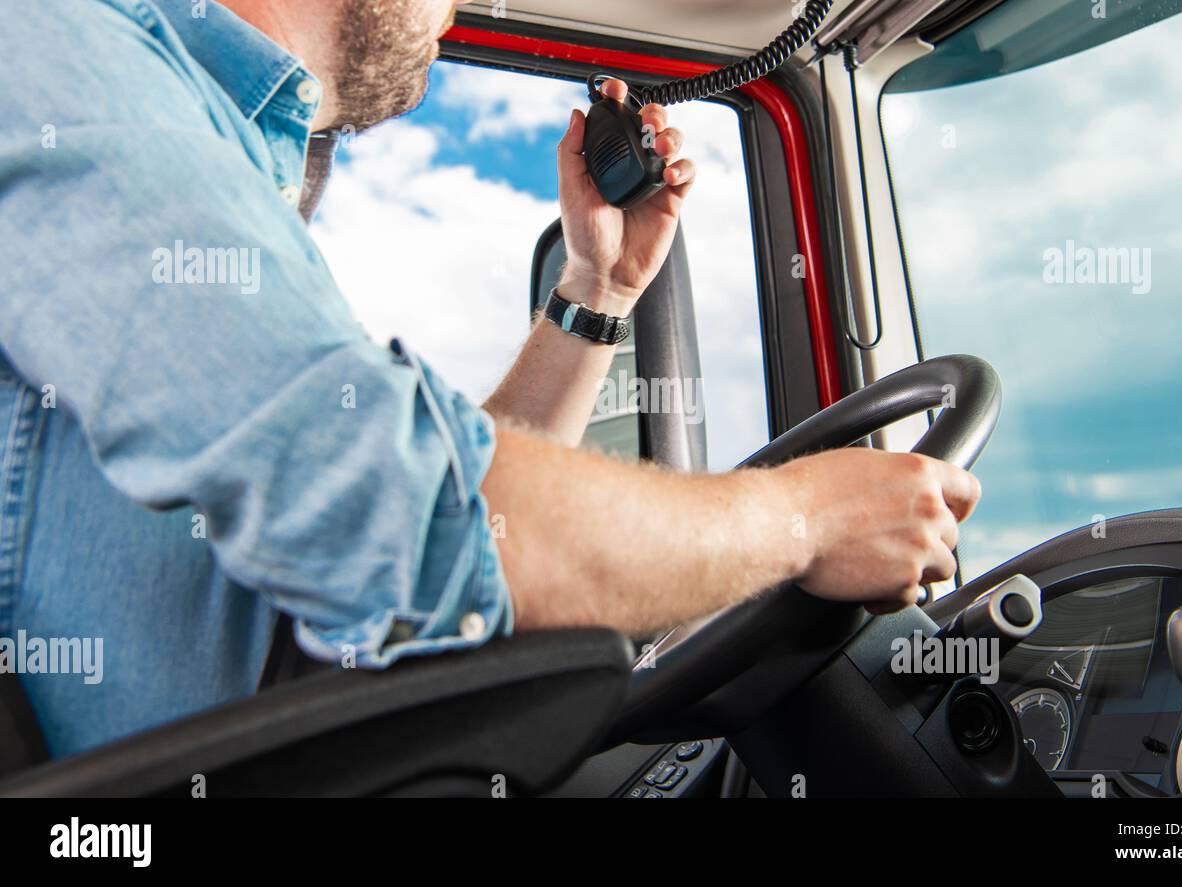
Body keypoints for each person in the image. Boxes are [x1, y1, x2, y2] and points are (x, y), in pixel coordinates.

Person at [0, 0, 979, 757]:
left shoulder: (184, 128)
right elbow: (410, 521)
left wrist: (597, 288)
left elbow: (434, 528)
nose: (457, 11)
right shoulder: (63, 55)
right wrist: (806, 518)